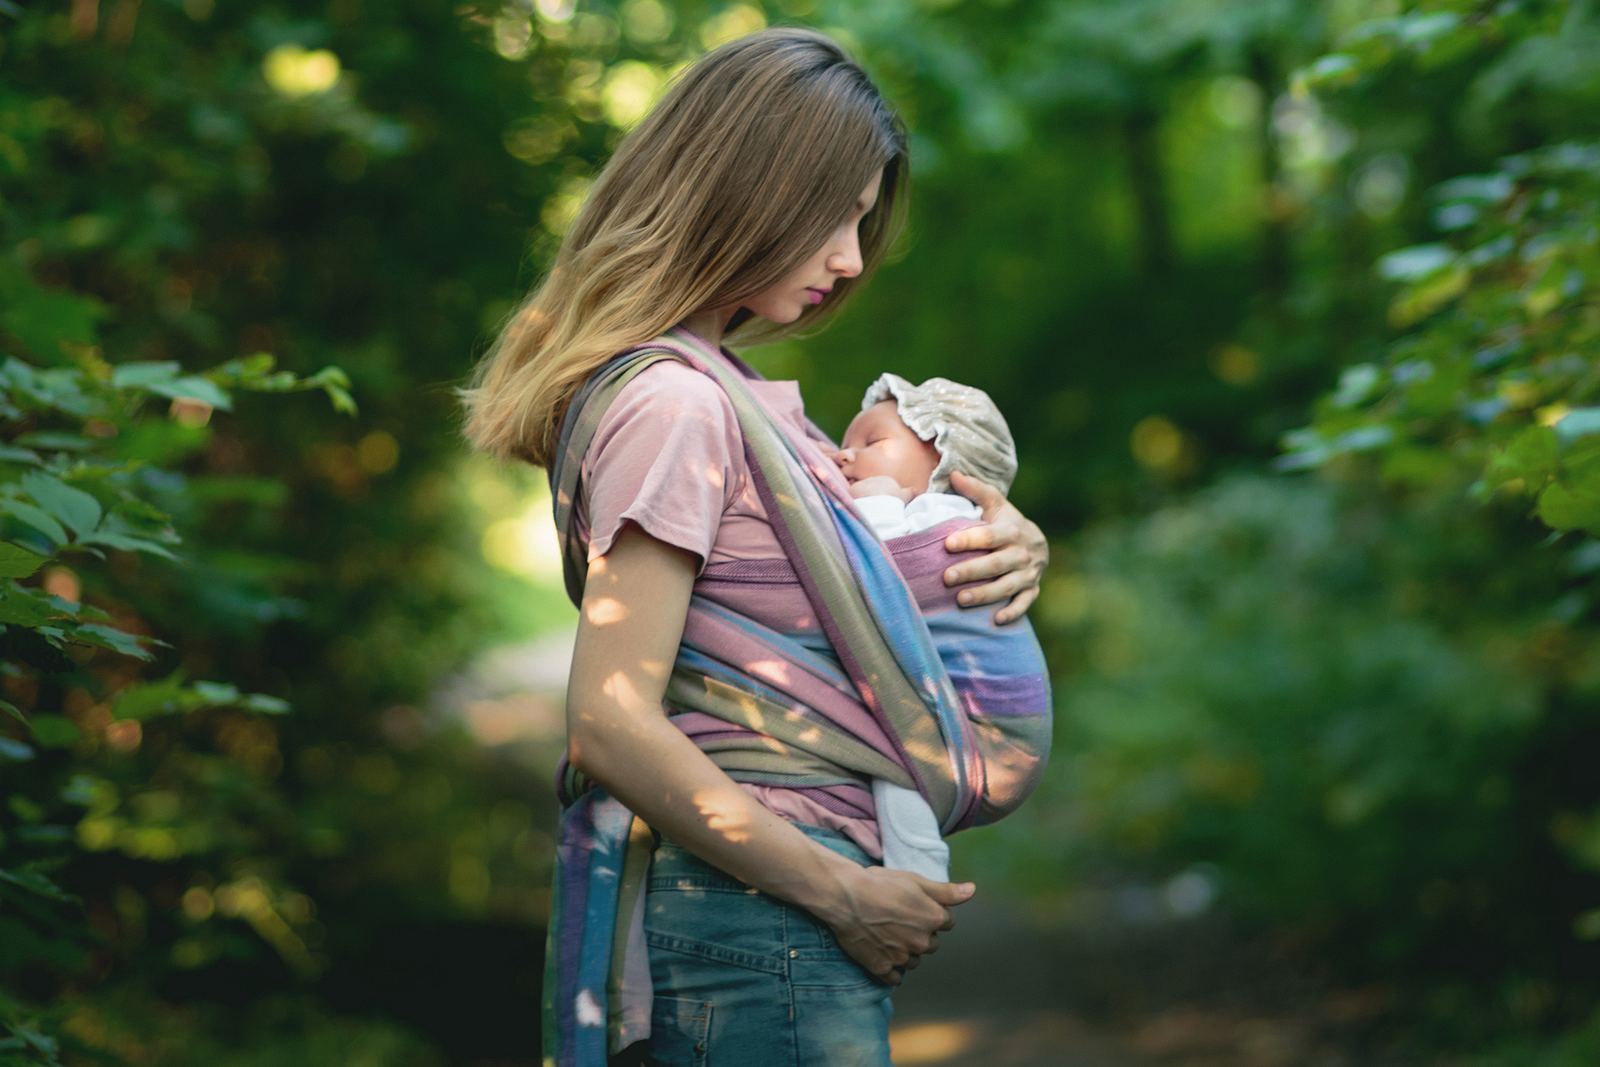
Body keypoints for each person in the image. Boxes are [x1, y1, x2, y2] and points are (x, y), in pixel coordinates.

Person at [457, 27, 1050, 1067]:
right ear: (749, 190)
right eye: (836, 218)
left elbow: (851, 572)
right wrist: (844, 895)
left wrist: (1005, 536)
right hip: (765, 907)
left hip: (757, 912)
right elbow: (607, 717)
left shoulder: (717, 391)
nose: (851, 259)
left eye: (863, 226)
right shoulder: (678, 404)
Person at [833, 373, 1028, 882]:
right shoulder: (914, 510)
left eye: (872, 441)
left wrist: (873, 504)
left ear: (945, 462)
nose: (844, 456)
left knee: (905, 765)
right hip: (949, 712)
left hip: (985, 719)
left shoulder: (944, 516)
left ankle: (919, 875)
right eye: (844, 444)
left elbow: (887, 577)